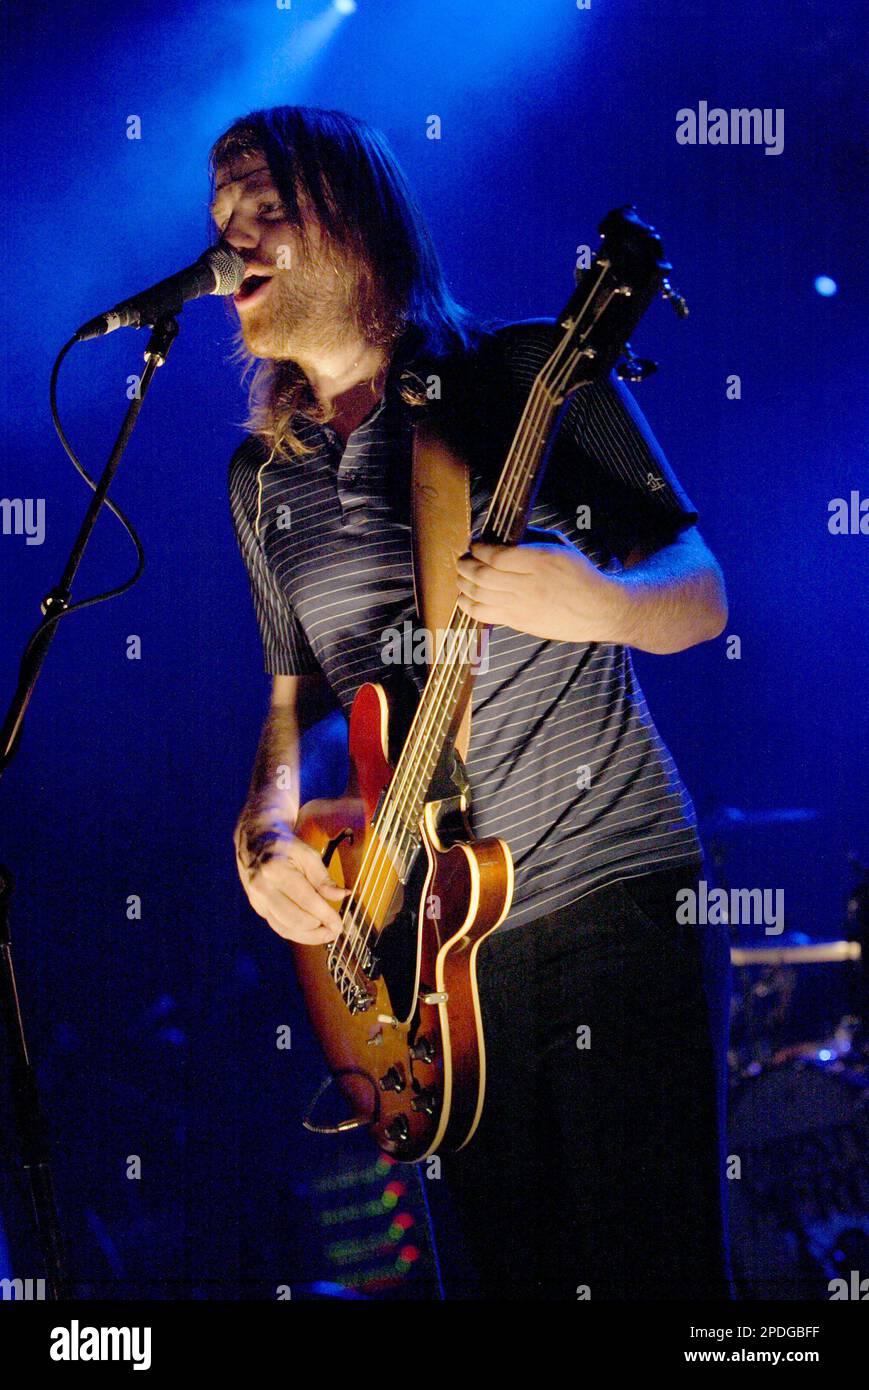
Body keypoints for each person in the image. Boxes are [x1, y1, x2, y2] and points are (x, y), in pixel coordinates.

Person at [215, 104, 732, 1300]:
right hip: (420, 962)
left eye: (261, 211)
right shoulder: (260, 480)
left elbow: (698, 594)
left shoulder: (517, 374)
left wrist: (593, 600)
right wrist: (263, 827)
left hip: (607, 895)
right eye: (218, 223)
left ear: (346, 218)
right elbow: (289, 697)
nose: (228, 245)